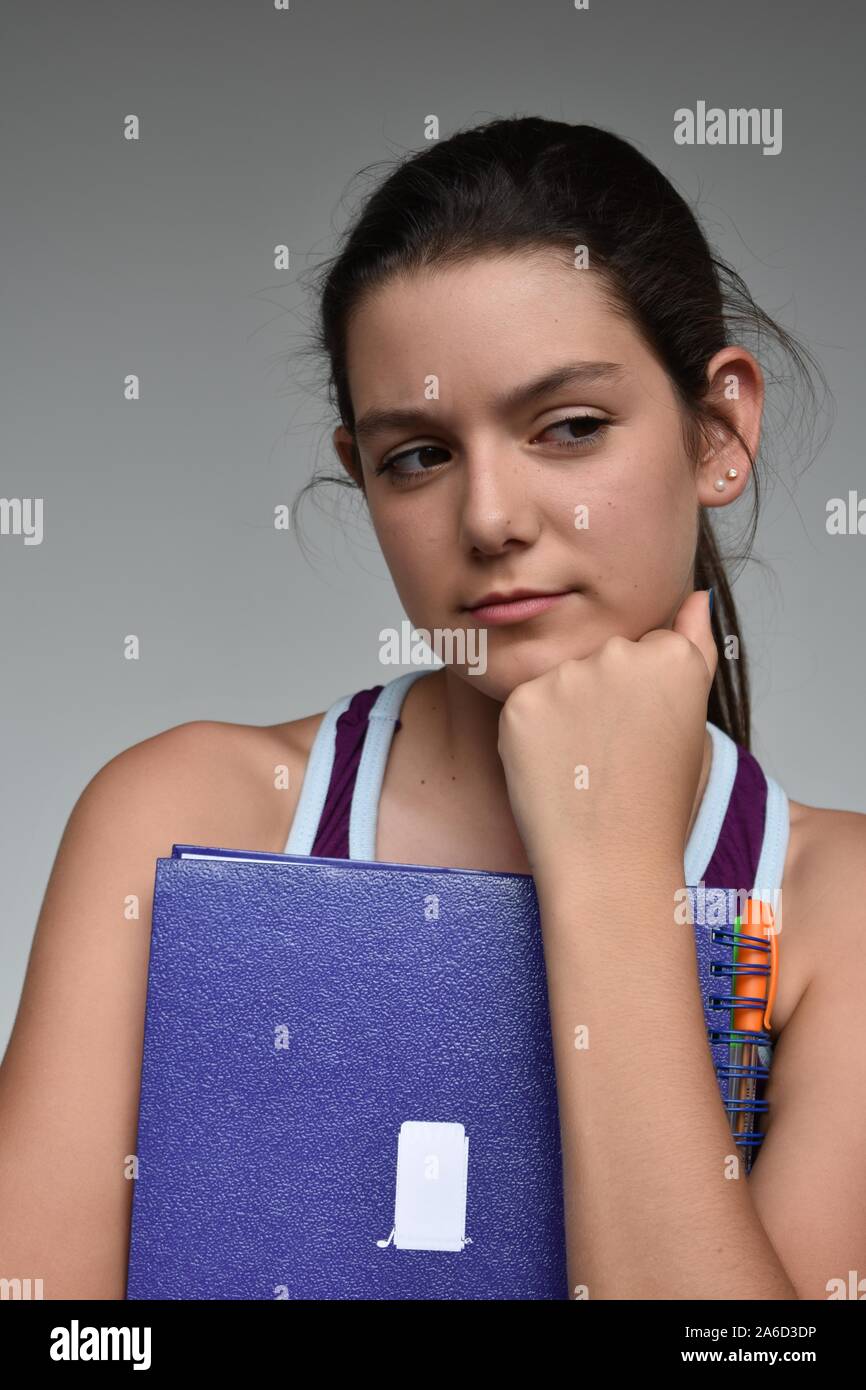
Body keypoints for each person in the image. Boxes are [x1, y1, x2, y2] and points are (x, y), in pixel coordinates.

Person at [1, 116, 863, 1300]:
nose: (492, 516)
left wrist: (607, 864)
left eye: (567, 427)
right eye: (418, 456)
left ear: (716, 432)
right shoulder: (181, 818)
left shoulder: (840, 912)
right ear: (361, 476)